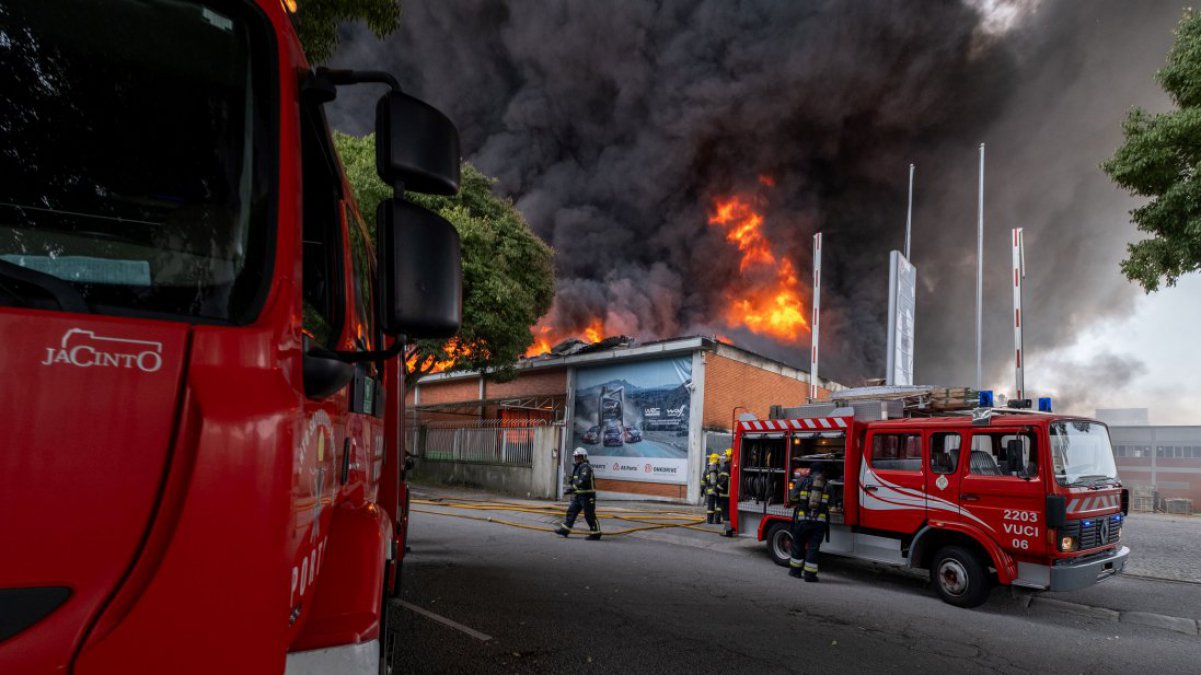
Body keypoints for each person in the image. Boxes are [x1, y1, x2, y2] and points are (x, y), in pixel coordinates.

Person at [788, 462, 830, 582]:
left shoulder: (802, 481)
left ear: (810, 471)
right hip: (818, 524)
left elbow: (793, 497)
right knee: (813, 548)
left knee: (798, 545)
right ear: (822, 472)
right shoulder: (827, 485)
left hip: (802, 521)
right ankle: (810, 575)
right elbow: (831, 504)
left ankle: (795, 571)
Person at [555, 448, 602, 540]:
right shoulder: (578, 467)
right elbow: (575, 481)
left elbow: (583, 481)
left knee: (589, 515)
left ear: (584, 457)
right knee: (571, 511)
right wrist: (571, 484)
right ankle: (565, 529)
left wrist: (572, 489)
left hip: (587, 496)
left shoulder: (586, 467)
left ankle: (596, 533)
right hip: (578, 496)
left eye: (579, 457)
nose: (577, 459)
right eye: (576, 457)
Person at [716, 449, 733, 535]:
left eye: (726, 456)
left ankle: (728, 532)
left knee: (726, 514)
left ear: (729, 456)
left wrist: (717, 488)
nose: (725, 457)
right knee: (728, 513)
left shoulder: (726, 467)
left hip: (725, 494)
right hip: (730, 494)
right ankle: (729, 529)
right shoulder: (732, 466)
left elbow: (724, 480)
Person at [703, 453, 720, 524]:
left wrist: (702, 488)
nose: (719, 461)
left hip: (709, 491)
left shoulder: (707, 469)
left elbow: (703, 480)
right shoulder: (717, 468)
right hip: (717, 490)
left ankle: (709, 520)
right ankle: (717, 520)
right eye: (718, 459)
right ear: (716, 460)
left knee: (710, 506)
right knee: (719, 506)